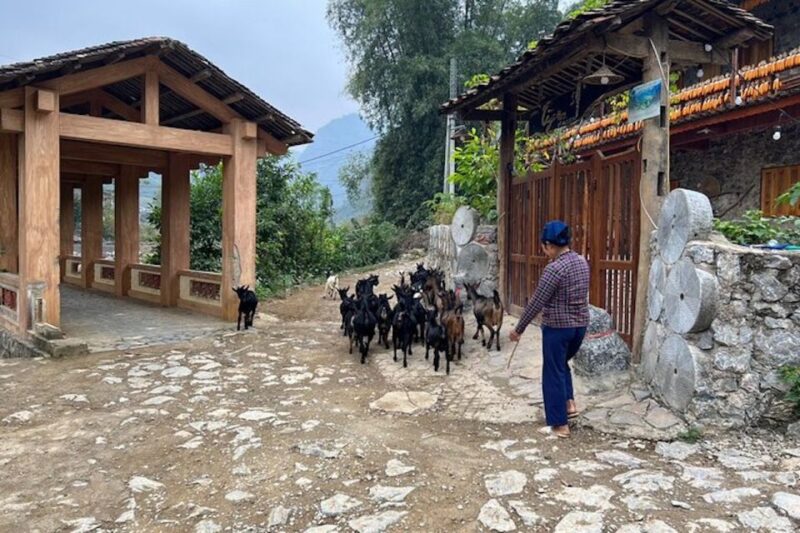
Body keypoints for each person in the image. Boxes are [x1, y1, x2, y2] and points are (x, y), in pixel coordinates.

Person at [509, 220, 589, 438]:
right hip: (580, 327)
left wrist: (519, 329)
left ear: (549, 245)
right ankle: (569, 404)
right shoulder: (582, 262)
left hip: (558, 329)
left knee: (552, 372)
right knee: (562, 363)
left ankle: (559, 425)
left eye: (544, 247)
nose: (544, 252)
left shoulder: (554, 269)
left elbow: (536, 302)